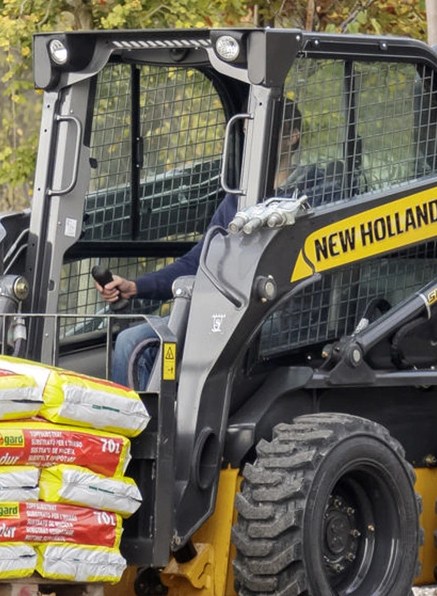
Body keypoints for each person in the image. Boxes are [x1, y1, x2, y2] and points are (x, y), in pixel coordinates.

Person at [102, 99, 318, 388]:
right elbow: (198, 262)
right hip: (223, 312)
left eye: (265, 129)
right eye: (248, 130)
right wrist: (136, 286)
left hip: (282, 317)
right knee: (132, 342)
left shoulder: (314, 193)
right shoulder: (239, 198)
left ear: (293, 136)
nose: (252, 138)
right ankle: (146, 429)